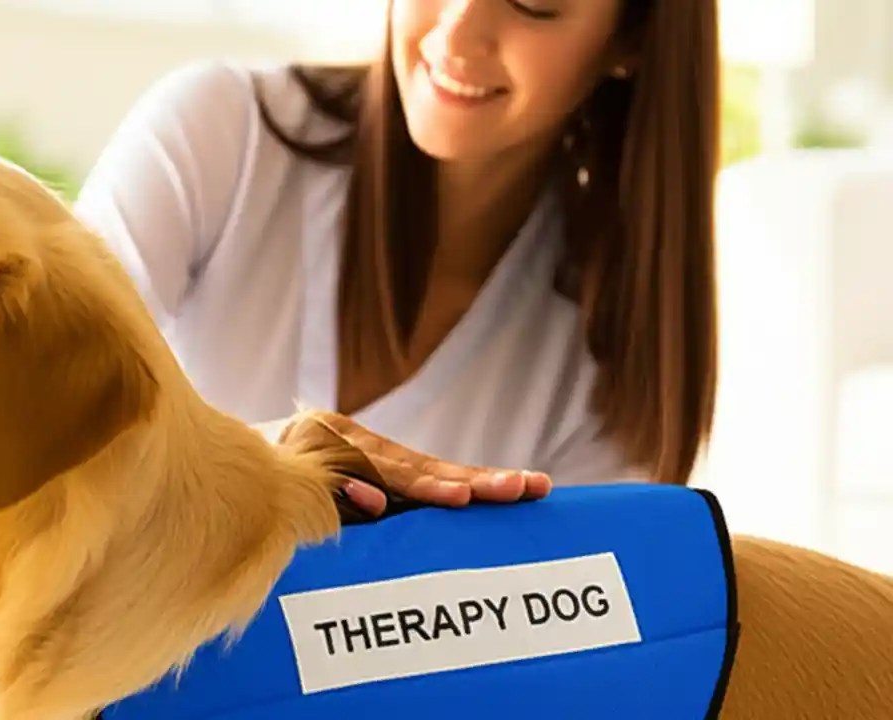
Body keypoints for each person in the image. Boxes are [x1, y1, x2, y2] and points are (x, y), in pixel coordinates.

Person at [72, 0, 719, 516]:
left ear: (629, 39)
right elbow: (30, 414)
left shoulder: (605, 350)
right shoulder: (220, 133)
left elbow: (554, 652)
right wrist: (269, 467)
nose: (458, 32)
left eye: (533, 4)